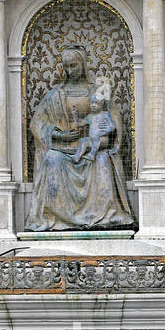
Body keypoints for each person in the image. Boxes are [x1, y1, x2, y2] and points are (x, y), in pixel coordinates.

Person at [25, 46, 134, 232]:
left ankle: (107, 216)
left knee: (102, 160)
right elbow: (37, 123)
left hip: (95, 146)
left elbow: (114, 115)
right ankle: (57, 217)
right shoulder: (55, 94)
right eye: (66, 67)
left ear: (83, 65)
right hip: (64, 148)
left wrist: (114, 138)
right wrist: (59, 135)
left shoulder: (100, 88)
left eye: (74, 66)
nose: (70, 71)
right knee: (52, 159)